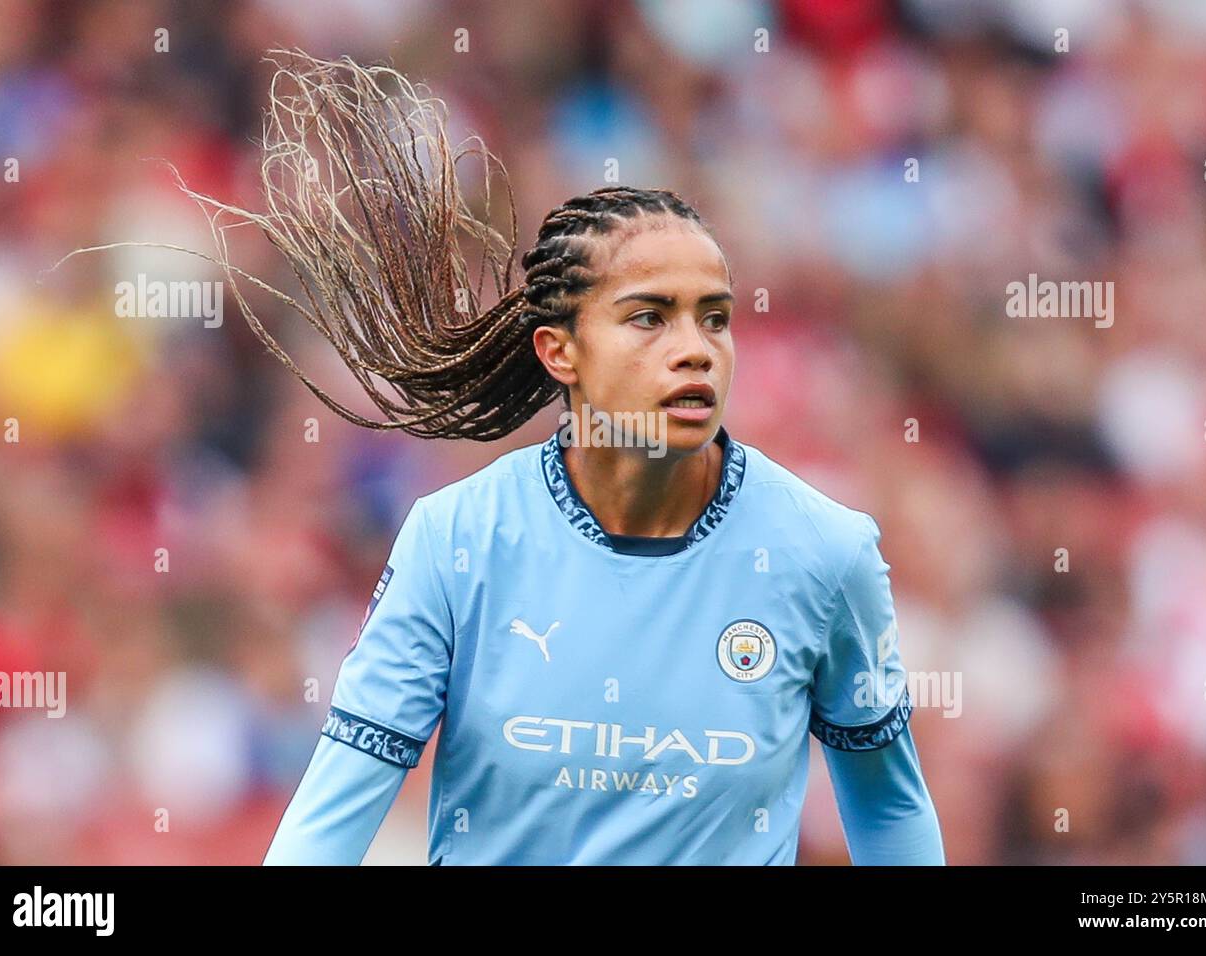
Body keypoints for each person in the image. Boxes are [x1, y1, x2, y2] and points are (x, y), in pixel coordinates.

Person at [71, 50, 945, 865]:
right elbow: (334, 814)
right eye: (650, 317)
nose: (697, 349)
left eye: (714, 316)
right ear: (559, 352)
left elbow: (891, 808)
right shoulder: (456, 539)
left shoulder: (824, 554)